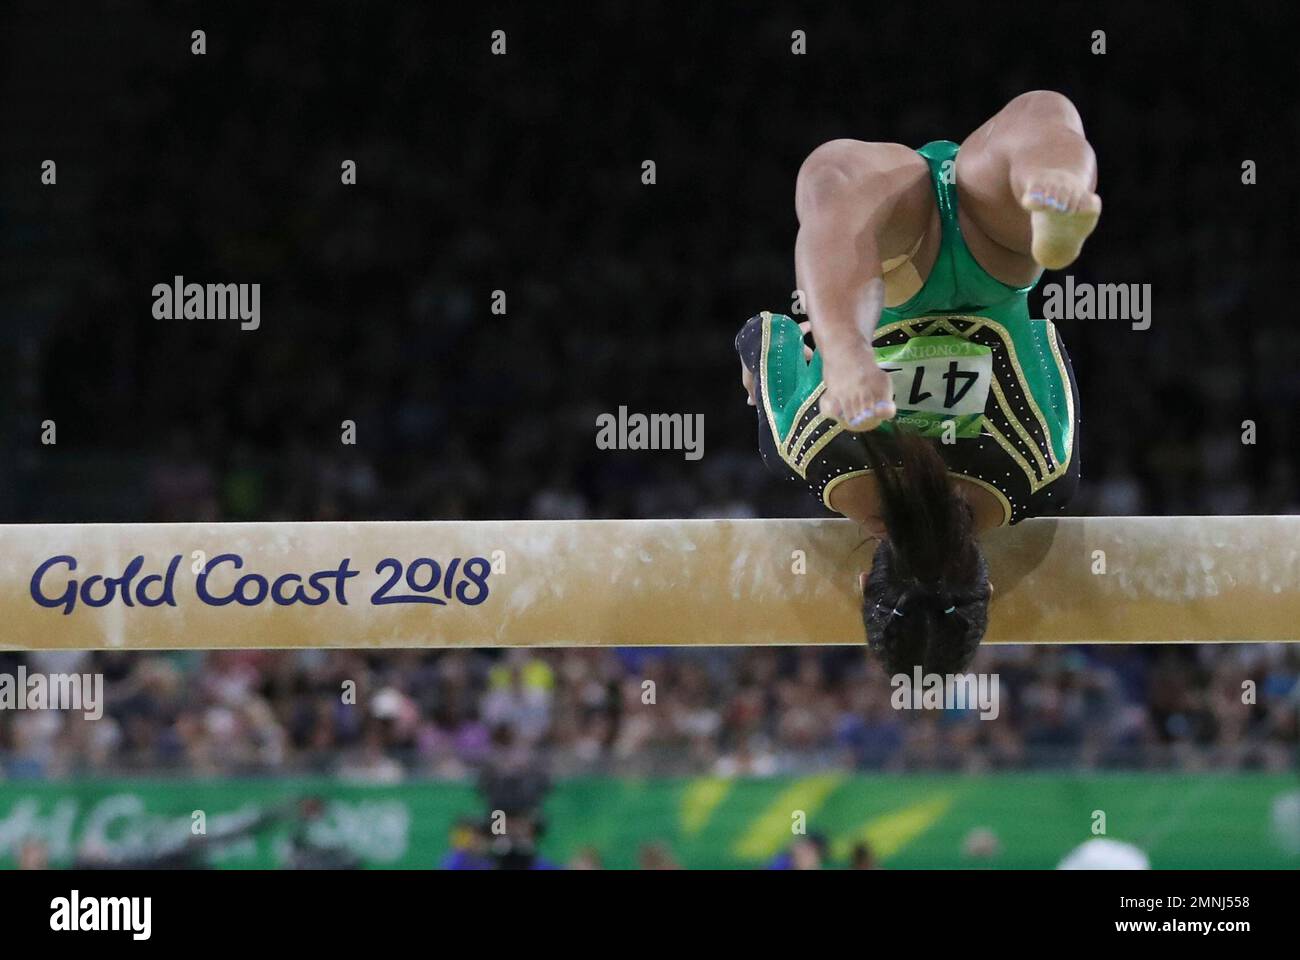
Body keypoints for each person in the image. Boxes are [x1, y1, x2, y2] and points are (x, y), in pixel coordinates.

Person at [737, 91, 1099, 675]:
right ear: (864, 580)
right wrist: (768, 367)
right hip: (889, 266)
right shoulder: (813, 453)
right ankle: (844, 344)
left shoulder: (1042, 471)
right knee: (829, 179)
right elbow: (763, 331)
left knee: (1041, 115)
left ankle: (1049, 178)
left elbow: (1042, 339)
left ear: (985, 580)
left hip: (997, 263)